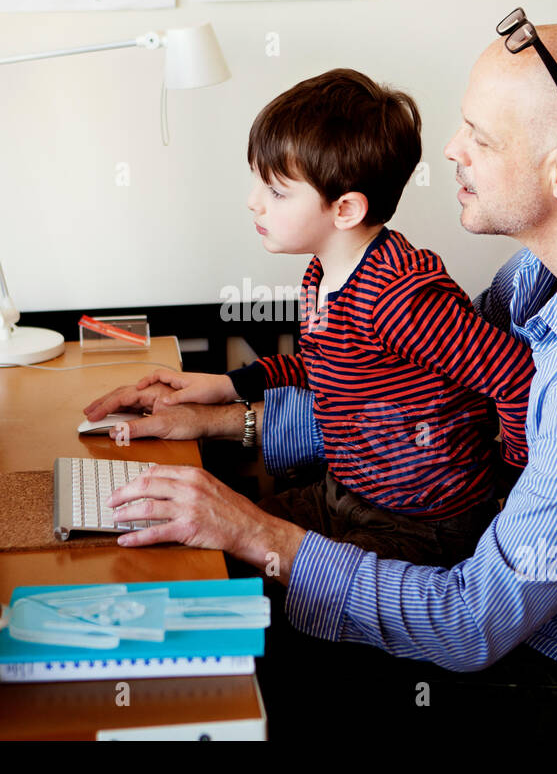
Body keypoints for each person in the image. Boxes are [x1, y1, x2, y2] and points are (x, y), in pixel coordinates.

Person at [83, 16, 557, 739]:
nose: (450, 151)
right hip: (513, 599)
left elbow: (472, 623)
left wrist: (257, 532)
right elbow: (411, 405)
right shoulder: (553, 265)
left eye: (481, 136)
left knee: (228, 676)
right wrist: (231, 417)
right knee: (203, 621)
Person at [125, 67, 534, 567]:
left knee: (247, 584)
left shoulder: (401, 298)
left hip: (422, 526)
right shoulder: (324, 272)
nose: (253, 201)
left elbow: (515, 377)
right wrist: (230, 384)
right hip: (344, 495)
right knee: (204, 550)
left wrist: (513, 483)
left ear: (344, 210)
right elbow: (327, 363)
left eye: (276, 192)